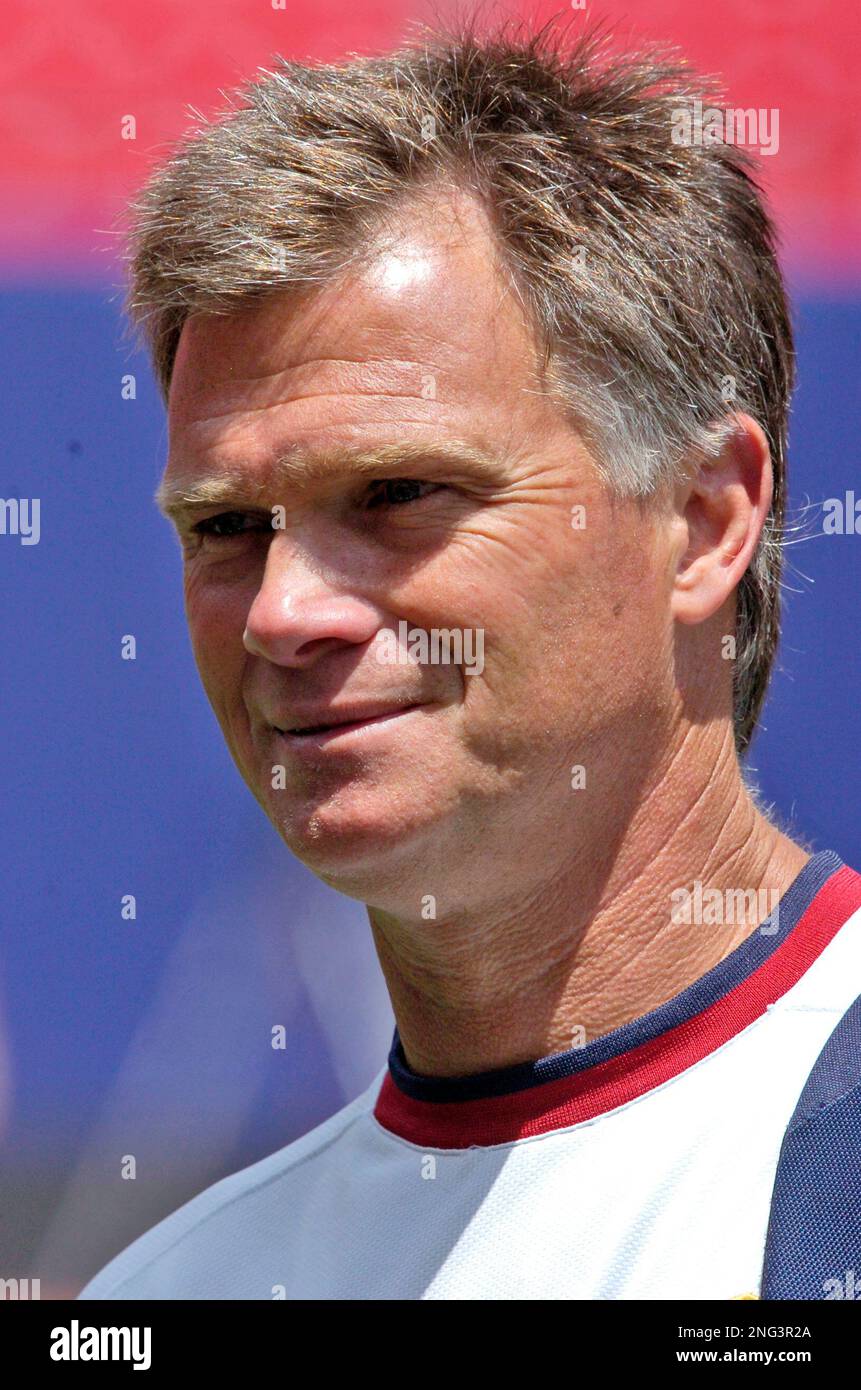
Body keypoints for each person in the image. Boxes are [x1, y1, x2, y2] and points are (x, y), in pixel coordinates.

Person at [79, 19, 861, 1300]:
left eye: (397, 492)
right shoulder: (160, 1297)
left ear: (705, 520)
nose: (284, 611)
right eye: (225, 526)